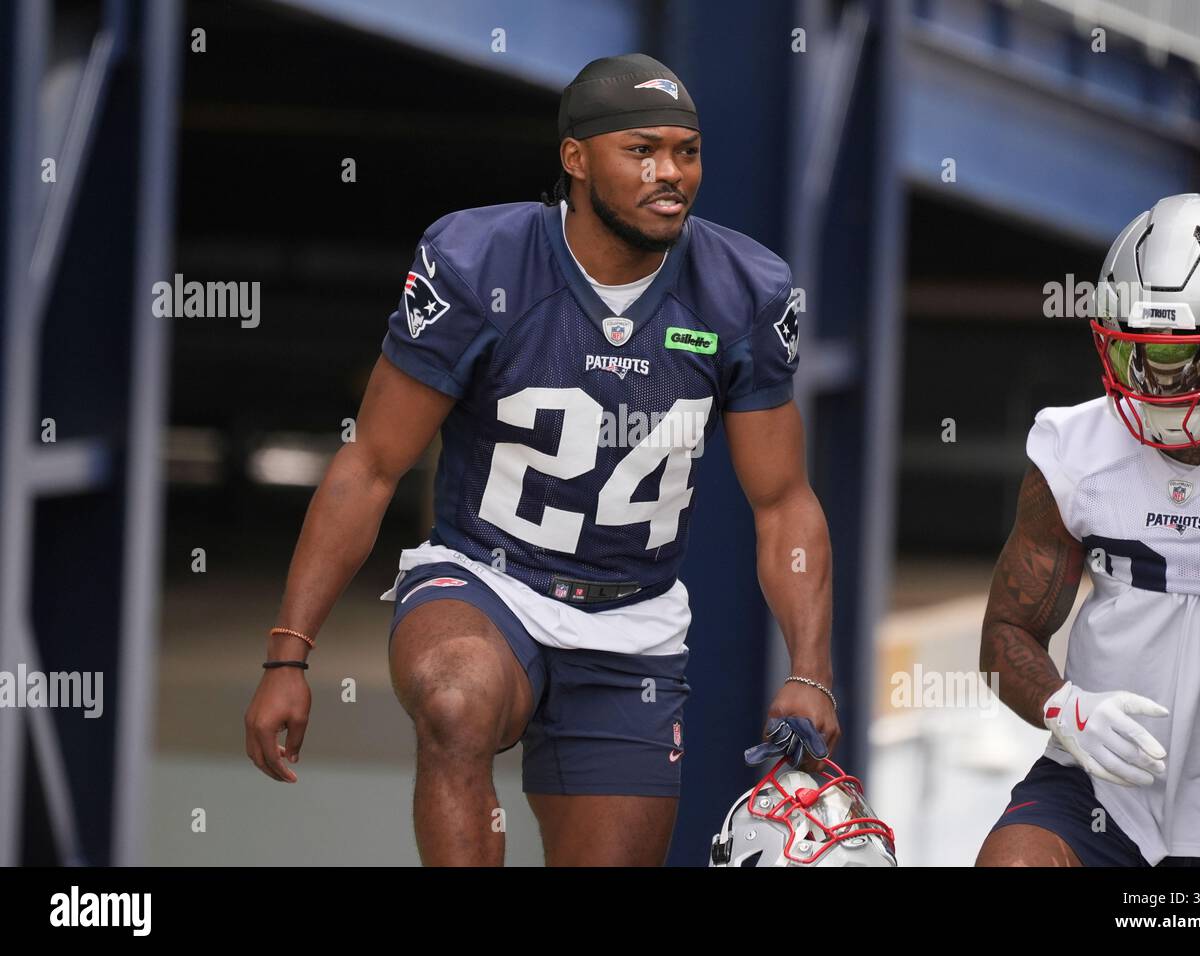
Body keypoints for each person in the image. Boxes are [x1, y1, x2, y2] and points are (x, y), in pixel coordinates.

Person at [243, 53, 838, 866]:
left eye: (686, 151)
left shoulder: (743, 289)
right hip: (486, 579)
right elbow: (371, 464)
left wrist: (810, 668)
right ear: (575, 158)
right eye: (641, 150)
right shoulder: (482, 261)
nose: (670, 173)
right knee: (456, 701)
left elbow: (783, 503)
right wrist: (289, 652)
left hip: (633, 618)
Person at [977, 193, 1200, 866]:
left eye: (1195, 361)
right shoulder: (1075, 449)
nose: (1163, 386)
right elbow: (1006, 636)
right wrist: (1067, 709)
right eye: (1142, 356)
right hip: (1100, 797)